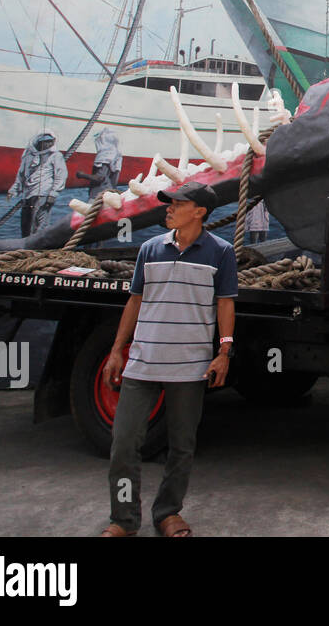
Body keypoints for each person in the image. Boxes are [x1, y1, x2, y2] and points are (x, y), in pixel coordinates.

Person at [100, 182, 237, 538]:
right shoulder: (149, 249)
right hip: (142, 363)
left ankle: (168, 512)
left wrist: (224, 352)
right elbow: (135, 301)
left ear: (200, 212)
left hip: (190, 367)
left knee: (182, 447)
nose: (169, 208)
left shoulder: (220, 253)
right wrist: (117, 349)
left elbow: (225, 303)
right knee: (124, 444)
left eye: (178, 203)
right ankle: (123, 520)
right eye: (169, 203)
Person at [8, 129, 67, 235]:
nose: (49, 144)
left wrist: (53, 193)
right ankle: (25, 246)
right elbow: (21, 175)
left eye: (50, 141)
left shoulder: (56, 156)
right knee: (26, 223)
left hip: (44, 193)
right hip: (28, 194)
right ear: (39, 143)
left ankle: (39, 248)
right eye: (45, 141)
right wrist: (14, 190)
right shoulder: (28, 156)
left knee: (40, 224)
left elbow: (61, 176)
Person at [87, 128, 123, 199]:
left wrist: (82, 175)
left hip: (98, 195)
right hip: (110, 194)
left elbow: (100, 178)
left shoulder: (105, 155)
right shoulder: (117, 154)